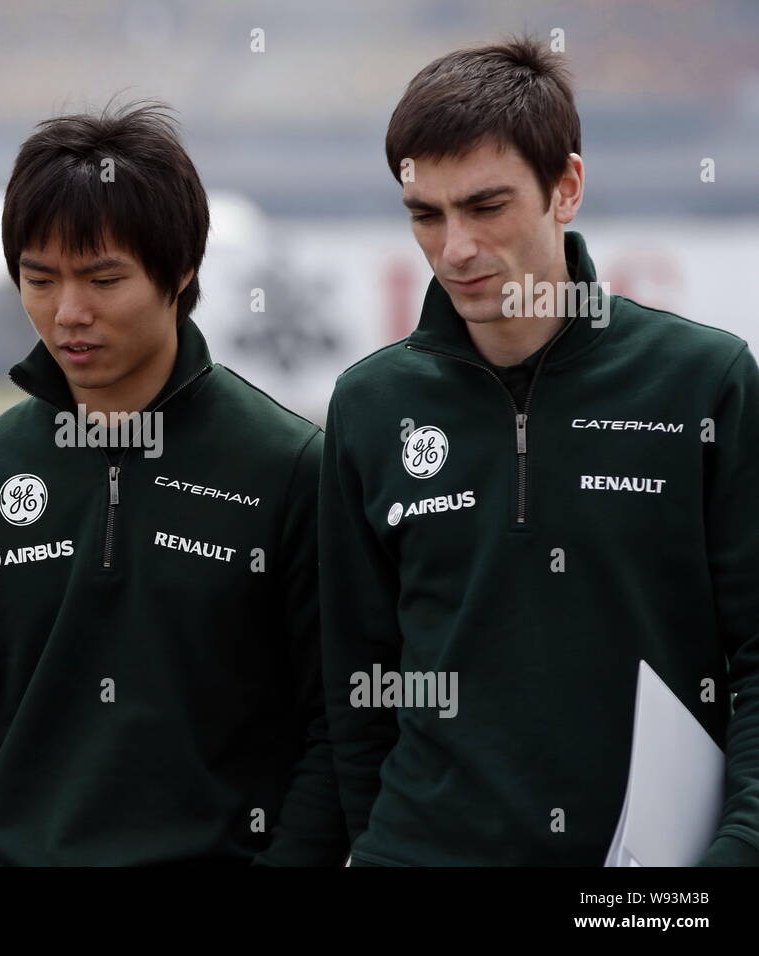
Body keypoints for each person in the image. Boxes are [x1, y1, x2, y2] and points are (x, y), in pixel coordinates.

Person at [0, 100, 347, 866]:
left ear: (180, 269)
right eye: (40, 279)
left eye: (103, 278)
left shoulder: (288, 468)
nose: (68, 313)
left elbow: (338, 733)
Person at [320, 36, 759, 865]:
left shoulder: (705, 383)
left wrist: (738, 849)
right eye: (426, 214)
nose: (454, 249)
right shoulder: (371, 405)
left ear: (567, 188)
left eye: (486, 207)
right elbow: (354, 685)